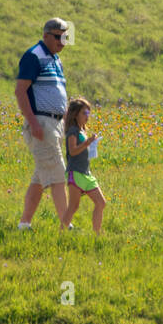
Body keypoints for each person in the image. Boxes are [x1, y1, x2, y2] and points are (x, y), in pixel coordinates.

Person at [15, 17, 70, 229]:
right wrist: (33, 123)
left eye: (65, 37)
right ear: (46, 35)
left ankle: (24, 224)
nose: (62, 41)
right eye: (58, 37)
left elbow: (59, 94)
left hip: (54, 124)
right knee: (57, 174)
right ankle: (66, 224)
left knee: (40, 178)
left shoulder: (56, 60)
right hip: (41, 123)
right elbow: (21, 91)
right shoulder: (33, 56)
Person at [61, 97, 107, 234]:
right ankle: (61, 233)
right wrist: (87, 143)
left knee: (101, 203)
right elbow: (73, 151)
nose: (87, 116)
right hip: (75, 173)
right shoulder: (73, 131)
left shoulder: (82, 131)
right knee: (73, 206)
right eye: (84, 113)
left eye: (88, 113)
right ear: (75, 115)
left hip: (86, 173)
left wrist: (92, 146)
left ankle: (97, 234)